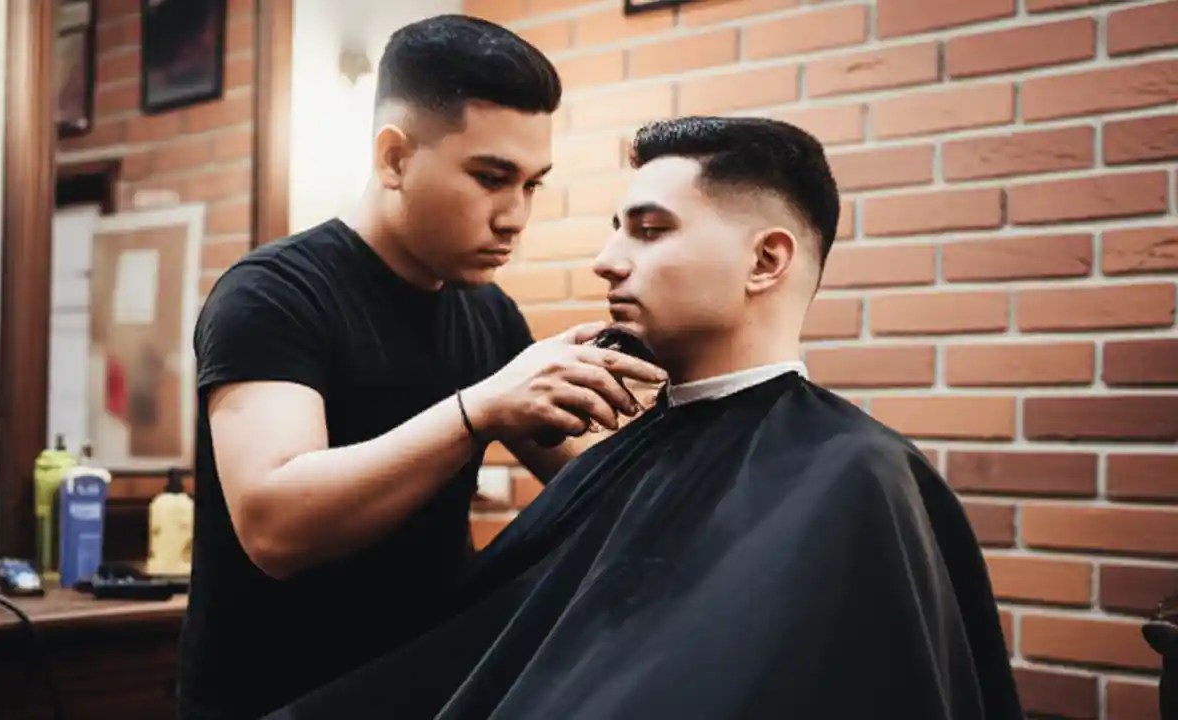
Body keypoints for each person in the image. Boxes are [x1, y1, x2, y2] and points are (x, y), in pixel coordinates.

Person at [266, 116, 1025, 720]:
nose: (605, 260)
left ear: (766, 261)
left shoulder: (856, 477)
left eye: (649, 230)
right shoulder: (633, 456)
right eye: (615, 228)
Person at [176, 15, 668, 720]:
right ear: (394, 158)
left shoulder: (490, 316)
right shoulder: (273, 294)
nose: (515, 216)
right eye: (492, 178)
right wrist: (478, 411)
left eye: (532, 185)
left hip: (423, 696)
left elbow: (593, 478)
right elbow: (275, 526)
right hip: (272, 702)